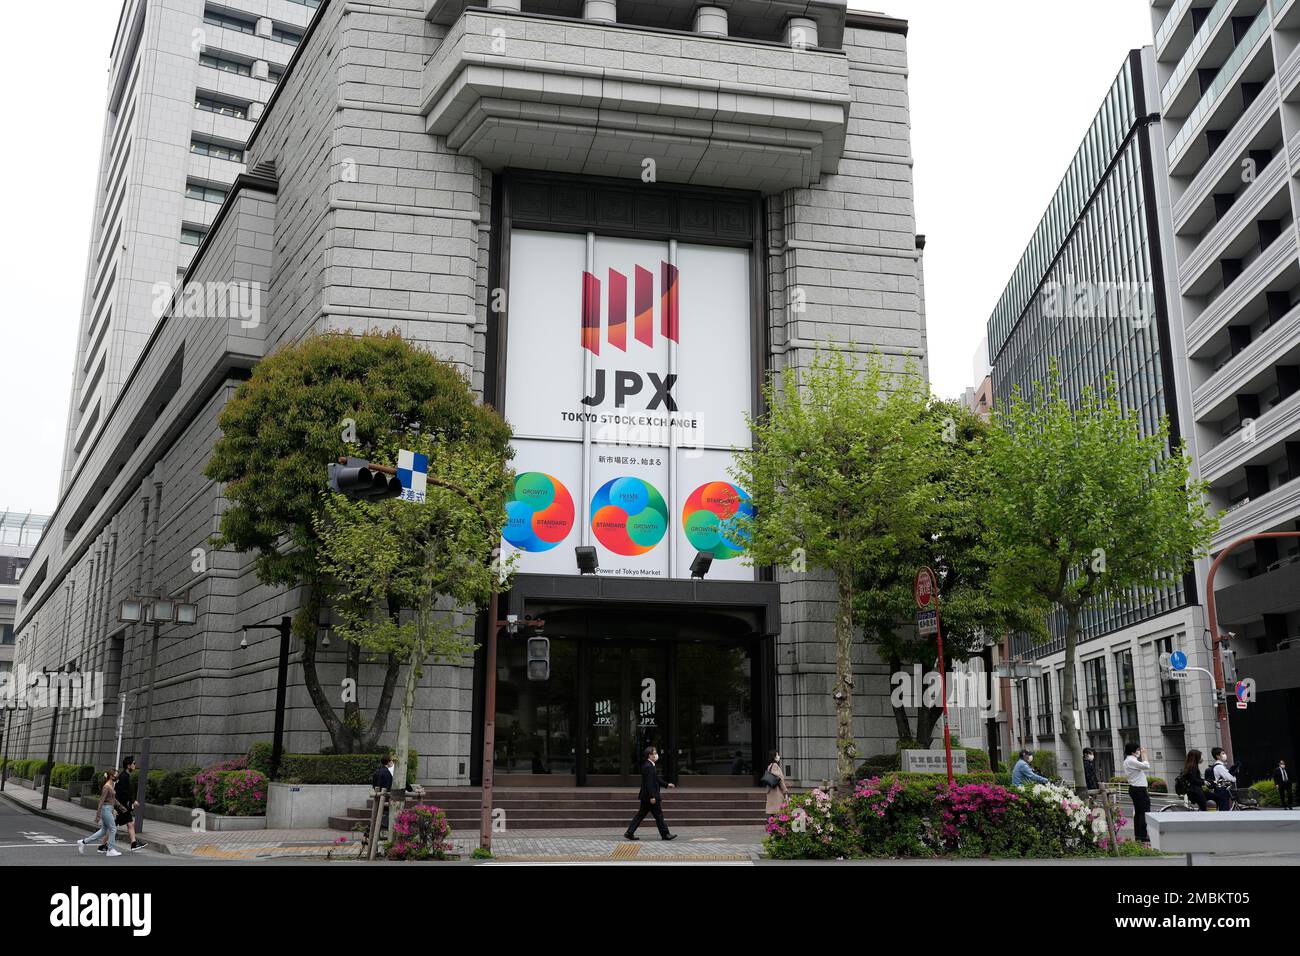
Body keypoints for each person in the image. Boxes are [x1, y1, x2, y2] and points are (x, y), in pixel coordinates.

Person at [624, 745, 676, 841]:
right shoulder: (648, 766)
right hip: (650, 797)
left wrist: (666, 784)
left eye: (656, 753)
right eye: (654, 753)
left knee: (641, 815)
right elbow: (649, 783)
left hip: (646, 796)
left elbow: (655, 779)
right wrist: (652, 796)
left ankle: (629, 832)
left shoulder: (650, 765)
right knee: (658, 815)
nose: (656, 755)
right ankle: (665, 834)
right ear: (649, 755)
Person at [77, 769, 127, 858]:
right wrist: (98, 815)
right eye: (116, 775)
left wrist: (121, 808)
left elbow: (113, 799)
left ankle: (83, 842)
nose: (117, 776)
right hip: (106, 809)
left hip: (108, 809)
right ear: (111, 776)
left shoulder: (111, 785)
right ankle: (110, 849)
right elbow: (101, 801)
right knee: (113, 829)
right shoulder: (107, 787)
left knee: (103, 831)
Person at [110, 756, 148, 853]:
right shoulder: (124, 776)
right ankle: (104, 845)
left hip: (121, 806)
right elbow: (124, 792)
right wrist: (132, 801)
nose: (135, 765)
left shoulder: (124, 775)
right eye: (134, 763)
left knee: (127, 824)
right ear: (128, 765)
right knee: (119, 825)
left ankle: (133, 843)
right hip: (121, 806)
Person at [1122, 742, 1152, 845]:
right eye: (1138, 750)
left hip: (1135, 789)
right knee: (1144, 812)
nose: (1139, 751)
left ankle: (1139, 835)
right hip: (1139, 789)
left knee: (1139, 813)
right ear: (1133, 751)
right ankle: (1142, 836)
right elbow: (1146, 766)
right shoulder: (1131, 761)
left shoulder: (1128, 761)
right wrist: (1145, 754)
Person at [763, 749, 789, 819]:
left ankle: (771, 825)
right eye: (777, 755)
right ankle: (775, 826)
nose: (778, 756)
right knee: (777, 809)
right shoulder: (775, 765)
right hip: (776, 791)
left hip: (771, 790)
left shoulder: (770, 765)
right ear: (774, 757)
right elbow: (778, 779)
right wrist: (785, 790)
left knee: (773, 810)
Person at [1207, 747, 1235, 811]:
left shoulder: (1217, 765)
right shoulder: (1219, 767)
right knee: (1224, 809)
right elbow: (1230, 778)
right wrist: (1234, 777)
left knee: (1222, 809)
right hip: (1222, 790)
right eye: (1223, 753)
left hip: (1219, 790)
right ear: (1217, 756)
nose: (1225, 755)